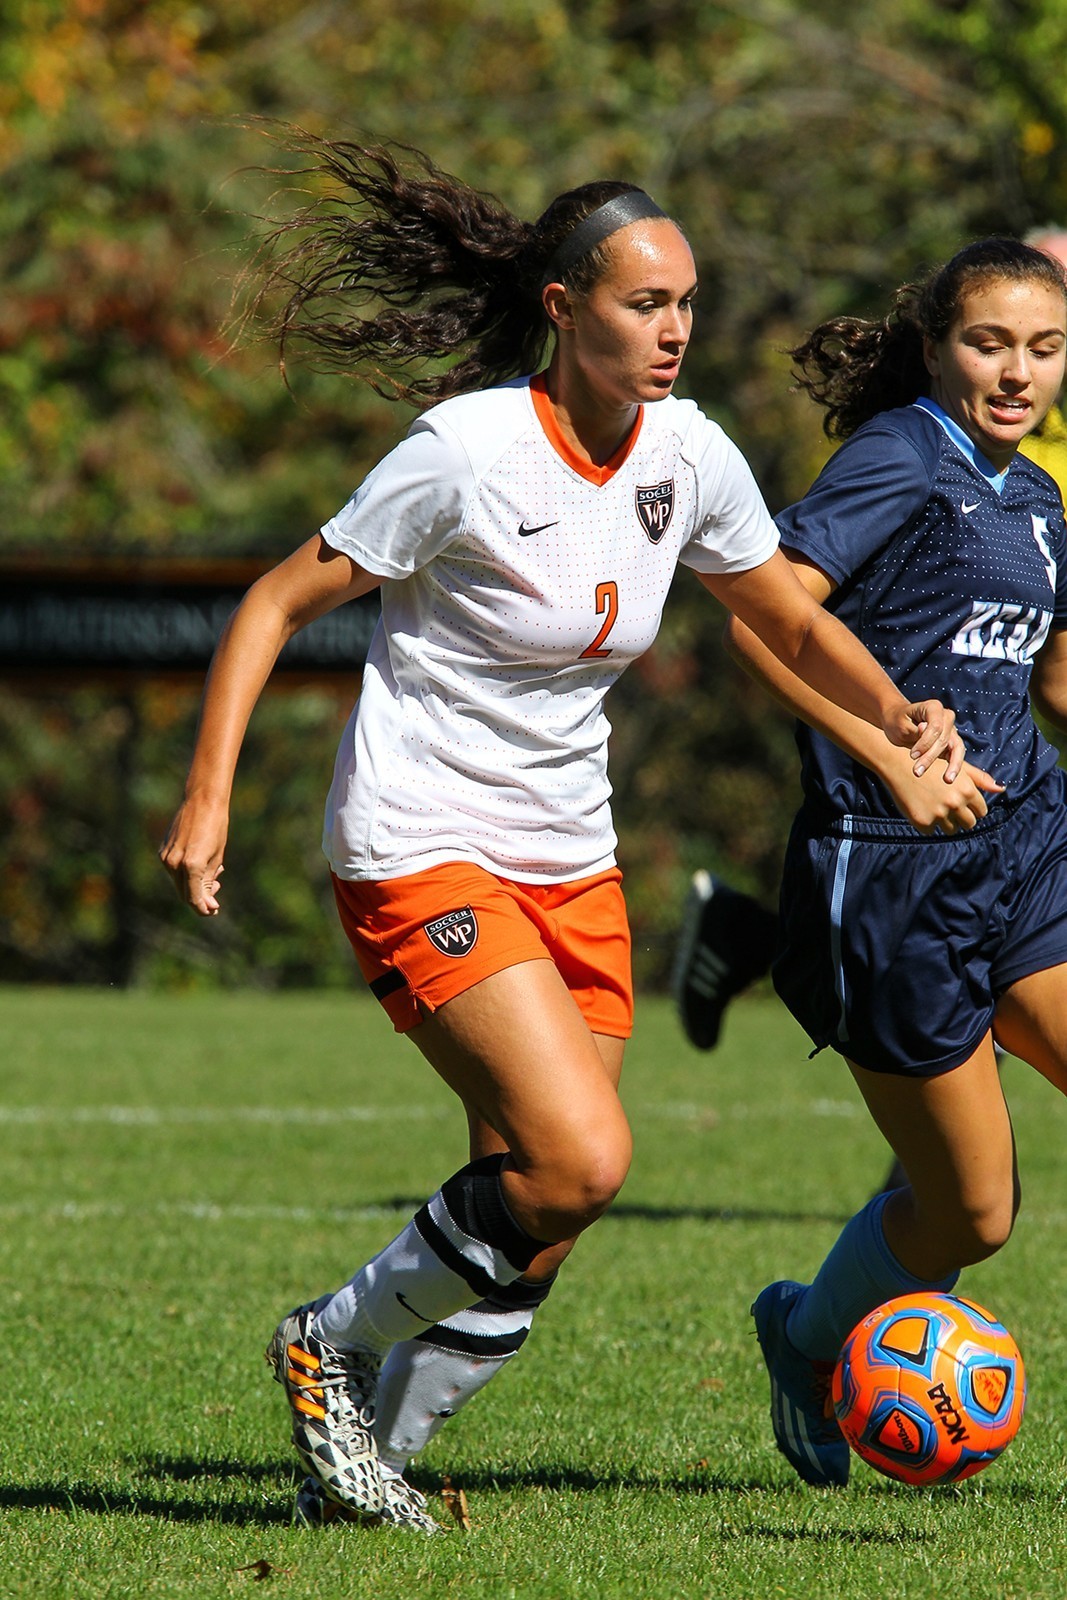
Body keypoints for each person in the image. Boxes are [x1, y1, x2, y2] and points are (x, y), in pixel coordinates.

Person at [159, 130, 969, 1530]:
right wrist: (208, 794)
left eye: (684, 306)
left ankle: (368, 1475)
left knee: (539, 1203)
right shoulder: (462, 451)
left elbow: (782, 612)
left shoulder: (685, 452)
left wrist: (901, 721)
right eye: (642, 304)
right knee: (581, 1156)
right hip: (420, 839)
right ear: (563, 309)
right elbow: (271, 604)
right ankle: (331, 1345)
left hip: (567, 858)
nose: (672, 332)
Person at [715, 236, 1067, 1487]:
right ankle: (806, 1341)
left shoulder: (1034, 499)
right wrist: (883, 751)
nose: (1015, 372)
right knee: (971, 1215)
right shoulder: (901, 455)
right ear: (933, 347)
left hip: (1025, 842)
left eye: (1042, 347)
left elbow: (1052, 682)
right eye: (987, 343)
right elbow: (764, 613)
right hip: (886, 878)